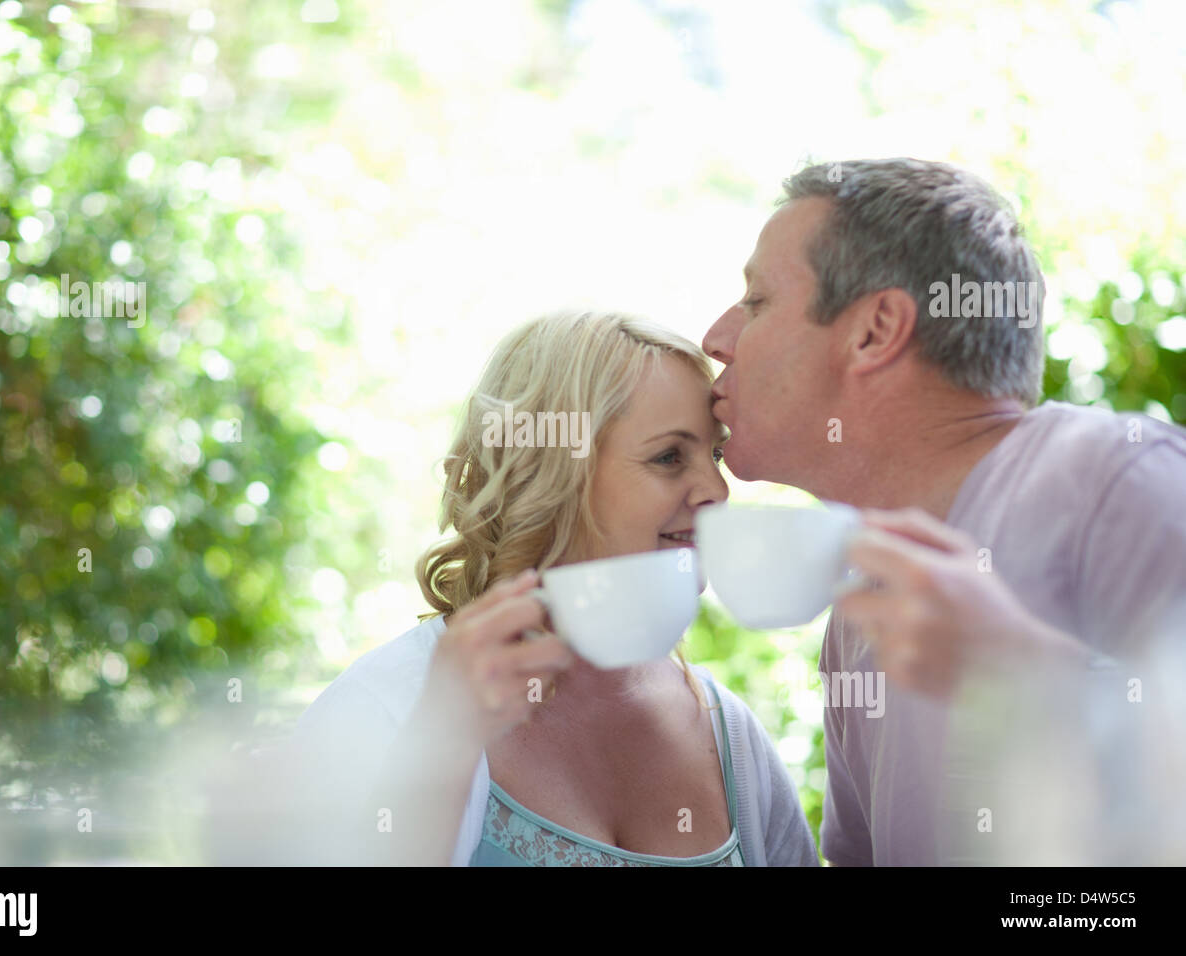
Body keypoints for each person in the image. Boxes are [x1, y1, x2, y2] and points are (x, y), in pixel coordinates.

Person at [702, 157, 1186, 866]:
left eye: (756, 302)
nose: (717, 338)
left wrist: (1024, 672)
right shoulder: (864, 600)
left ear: (875, 330)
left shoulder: (1115, 482)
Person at [295, 310, 819, 866]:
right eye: (669, 456)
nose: (716, 489)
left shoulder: (728, 733)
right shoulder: (383, 709)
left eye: (714, 453)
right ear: (552, 473)